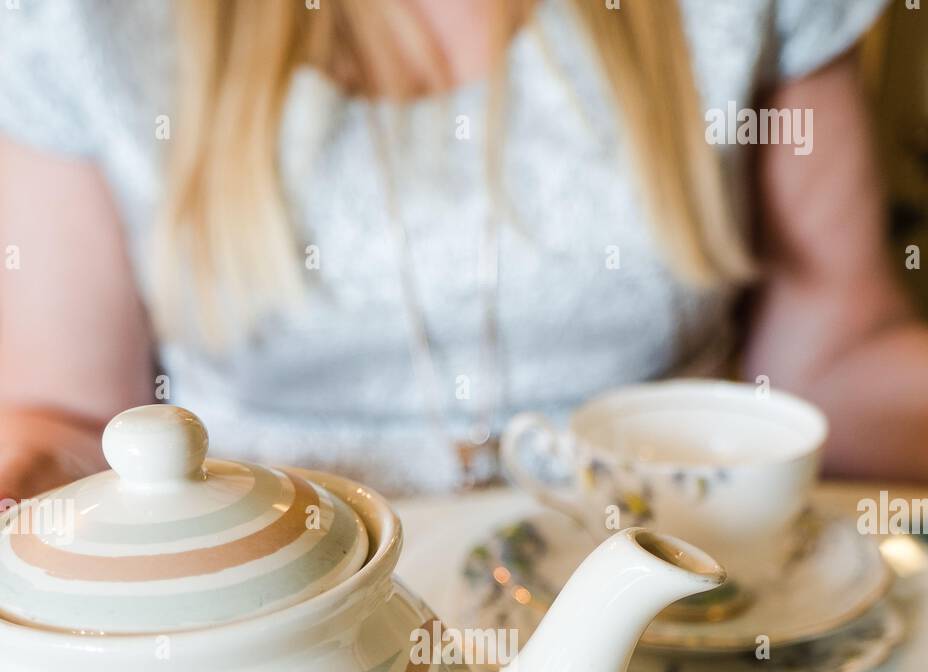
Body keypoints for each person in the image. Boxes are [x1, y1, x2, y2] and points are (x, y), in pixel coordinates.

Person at [0, 0, 924, 506]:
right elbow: (73, 421)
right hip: (269, 632)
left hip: (672, 595)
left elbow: (828, 366)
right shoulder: (85, 21)